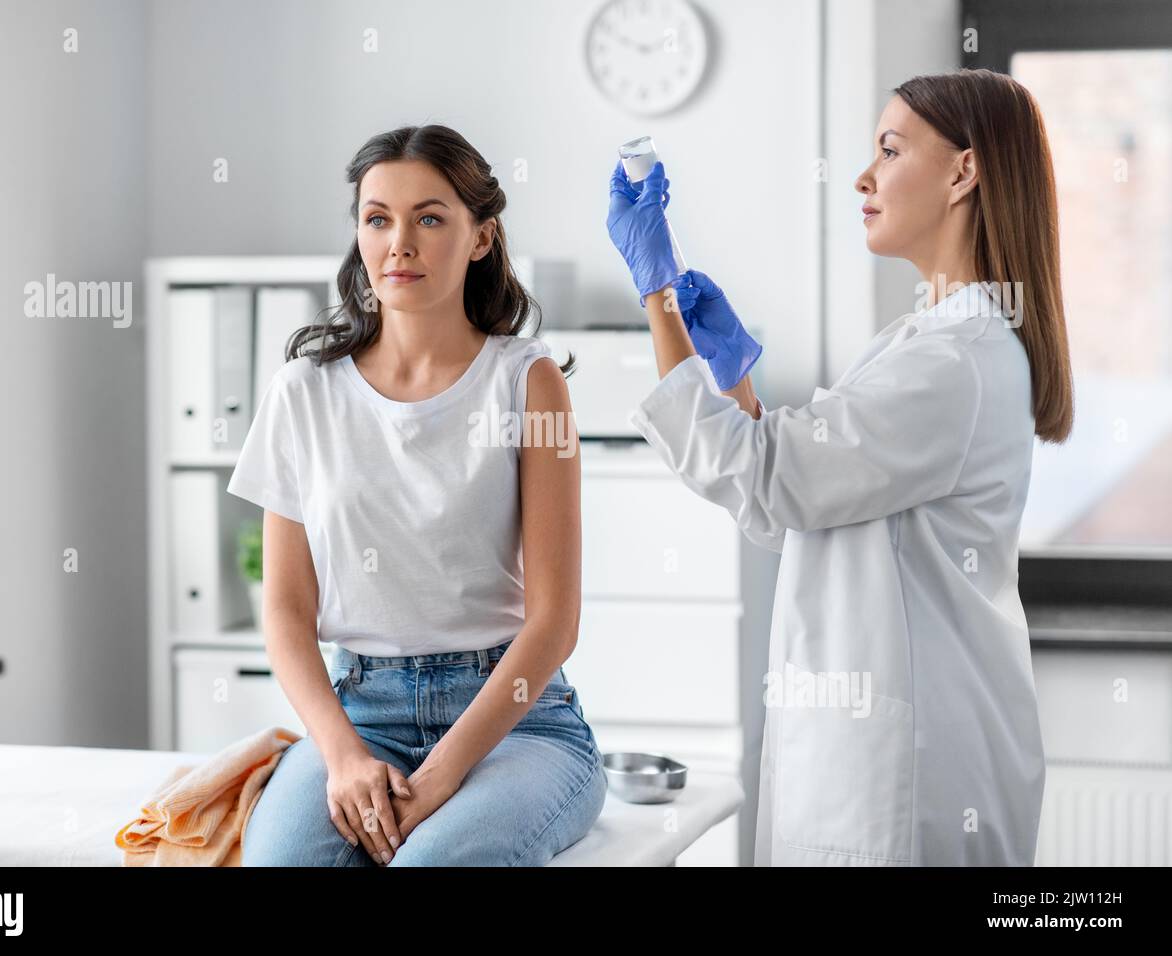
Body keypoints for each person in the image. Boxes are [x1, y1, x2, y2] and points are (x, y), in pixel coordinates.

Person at [605, 68, 1074, 865]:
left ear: (964, 172)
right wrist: (735, 381)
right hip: (884, 743)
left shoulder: (953, 359)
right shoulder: (925, 340)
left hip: (913, 776)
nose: (863, 177)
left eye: (890, 151)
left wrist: (659, 297)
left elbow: (769, 478)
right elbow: (797, 506)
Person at [228, 124, 605, 866]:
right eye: (378, 218)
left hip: (516, 721)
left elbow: (555, 620)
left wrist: (441, 775)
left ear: (480, 237)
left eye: (429, 218)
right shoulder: (303, 392)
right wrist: (341, 756)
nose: (398, 242)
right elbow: (286, 611)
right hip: (363, 713)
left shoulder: (528, 381)